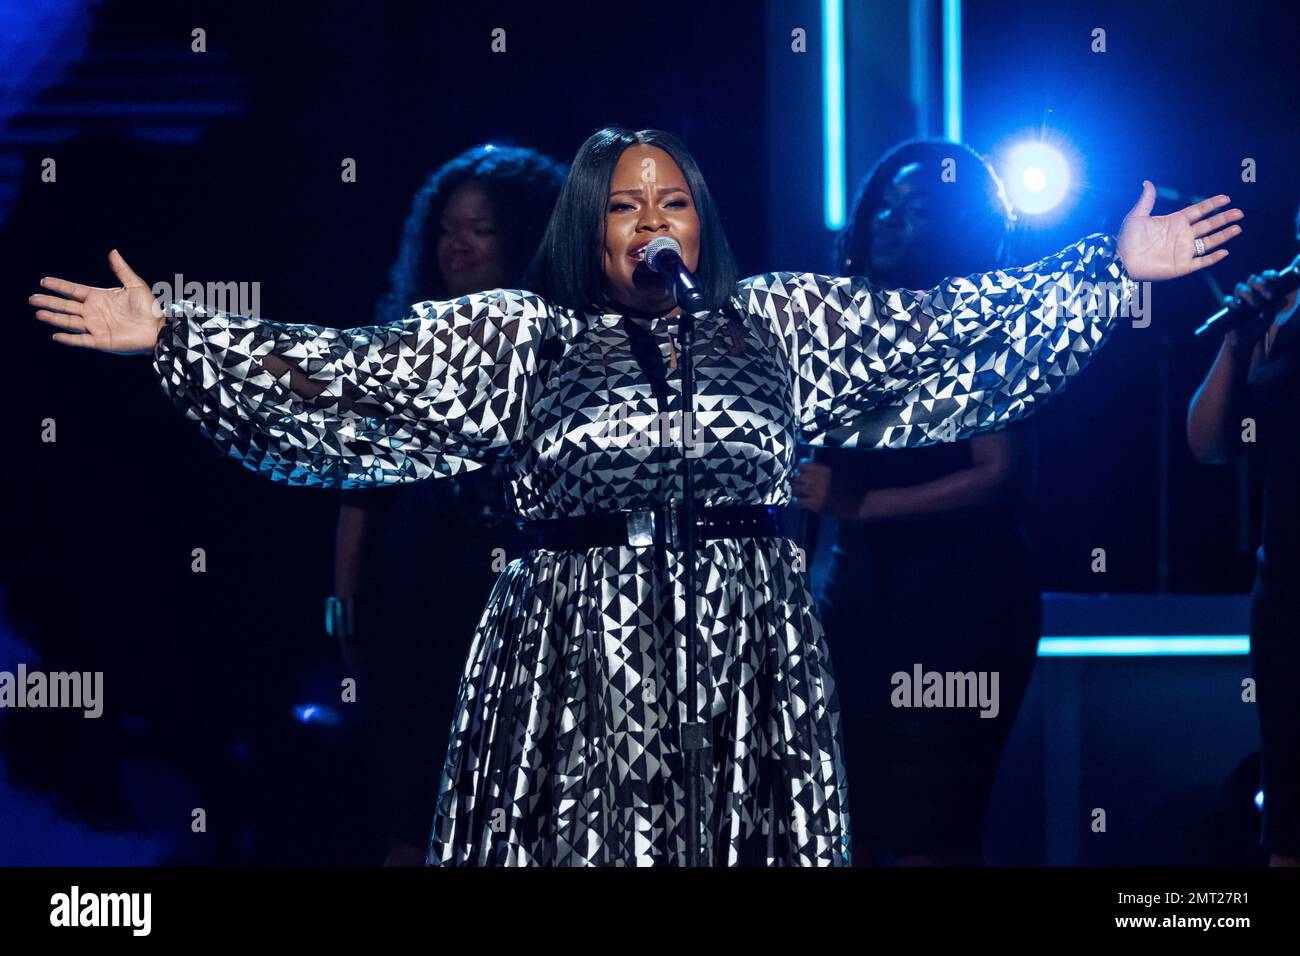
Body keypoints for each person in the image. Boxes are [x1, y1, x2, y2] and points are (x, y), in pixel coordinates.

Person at [30, 125, 1241, 866]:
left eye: (672, 201)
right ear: (588, 227)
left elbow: (935, 335)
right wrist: (180, 336)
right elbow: (352, 378)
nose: (652, 220)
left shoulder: (778, 319)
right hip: (566, 656)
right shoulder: (522, 336)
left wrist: (1103, 267)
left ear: (698, 223)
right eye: (624, 202)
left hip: (745, 653)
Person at [793, 139, 1039, 866]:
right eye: (883, 207)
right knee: (860, 834)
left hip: (959, 606)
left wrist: (864, 506)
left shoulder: (984, 327)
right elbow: (815, 487)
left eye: (918, 209)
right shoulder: (847, 330)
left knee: (929, 833)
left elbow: (1003, 476)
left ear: (962, 226)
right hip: (857, 603)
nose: (889, 222)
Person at [328, 145, 566, 866]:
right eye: (448, 228)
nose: (457, 245)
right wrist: (345, 601)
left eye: (482, 229)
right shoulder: (403, 349)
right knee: (416, 797)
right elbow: (361, 492)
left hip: (528, 593)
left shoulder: (570, 347)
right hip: (416, 586)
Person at [1187, 207, 1300, 867]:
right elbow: (1209, 444)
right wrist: (1236, 341)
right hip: (1285, 590)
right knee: (1287, 824)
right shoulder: (1279, 307)